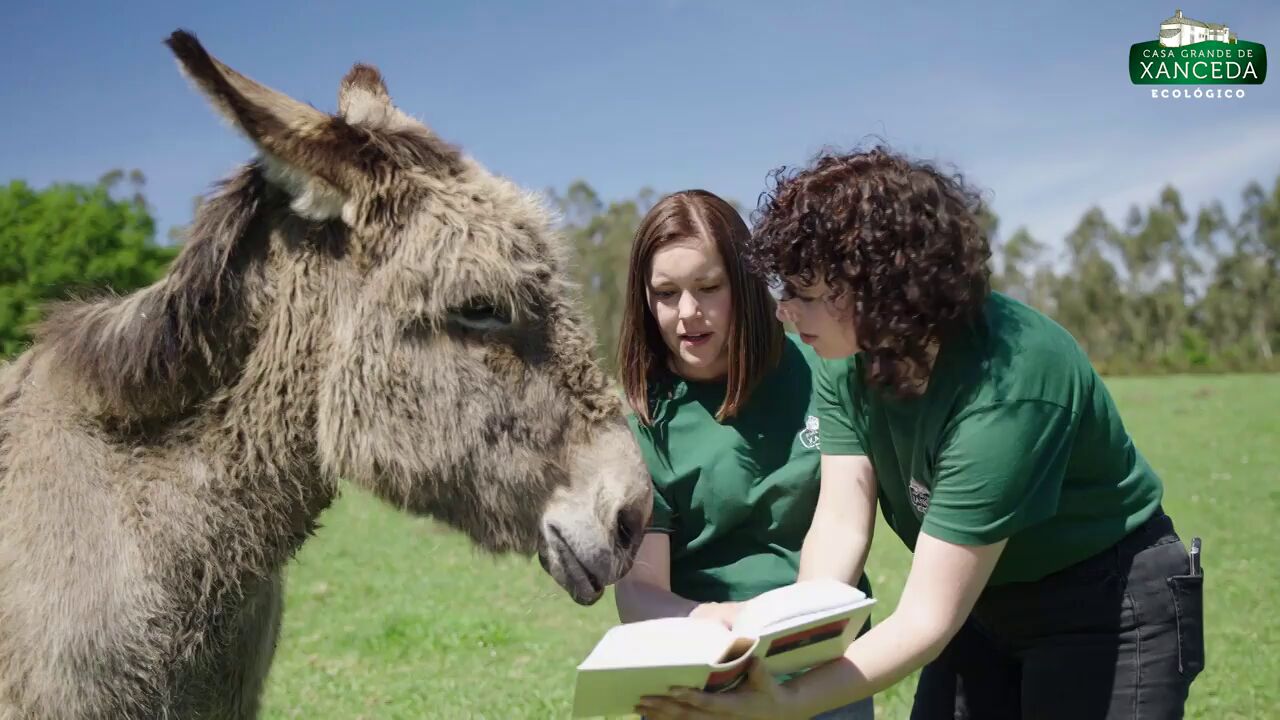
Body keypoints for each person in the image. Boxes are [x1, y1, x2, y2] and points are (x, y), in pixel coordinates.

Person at [636, 148, 1206, 720]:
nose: (784, 313)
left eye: (805, 296)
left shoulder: (1010, 385)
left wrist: (783, 703)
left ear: (881, 292)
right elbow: (839, 521)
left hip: (1106, 604)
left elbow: (926, 619)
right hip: (981, 604)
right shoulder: (842, 357)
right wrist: (789, 650)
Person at [614, 189, 875, 720]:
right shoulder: (640, 422)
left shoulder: (823, 366)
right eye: (665, 294)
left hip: (819, 658)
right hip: (699, 670)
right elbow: (640, 592)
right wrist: (715, 620)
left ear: (746, 283)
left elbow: (847, 524)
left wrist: (793, 628)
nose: (687, 313)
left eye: (708, 288)